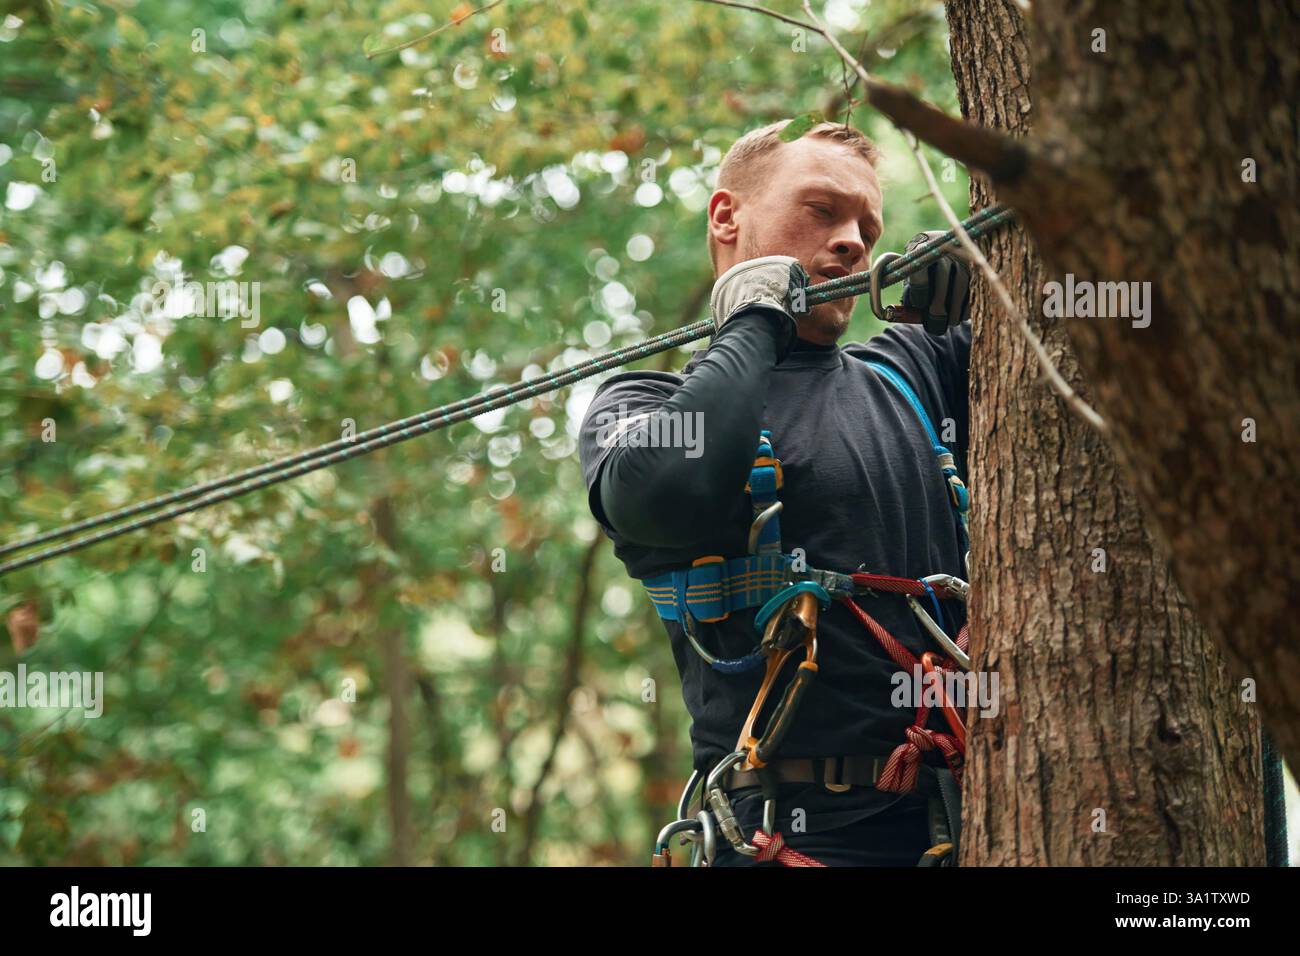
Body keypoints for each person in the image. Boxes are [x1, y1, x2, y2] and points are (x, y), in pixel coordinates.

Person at [578, 120, 972, 866]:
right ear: (727, 217)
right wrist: (756, 313)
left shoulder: (911, 374)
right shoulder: (638, 405)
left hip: (966, 823)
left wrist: (979, 268)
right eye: (822, 211)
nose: (853, 240)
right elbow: (668, 489)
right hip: (787, 838)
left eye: (868, 225)